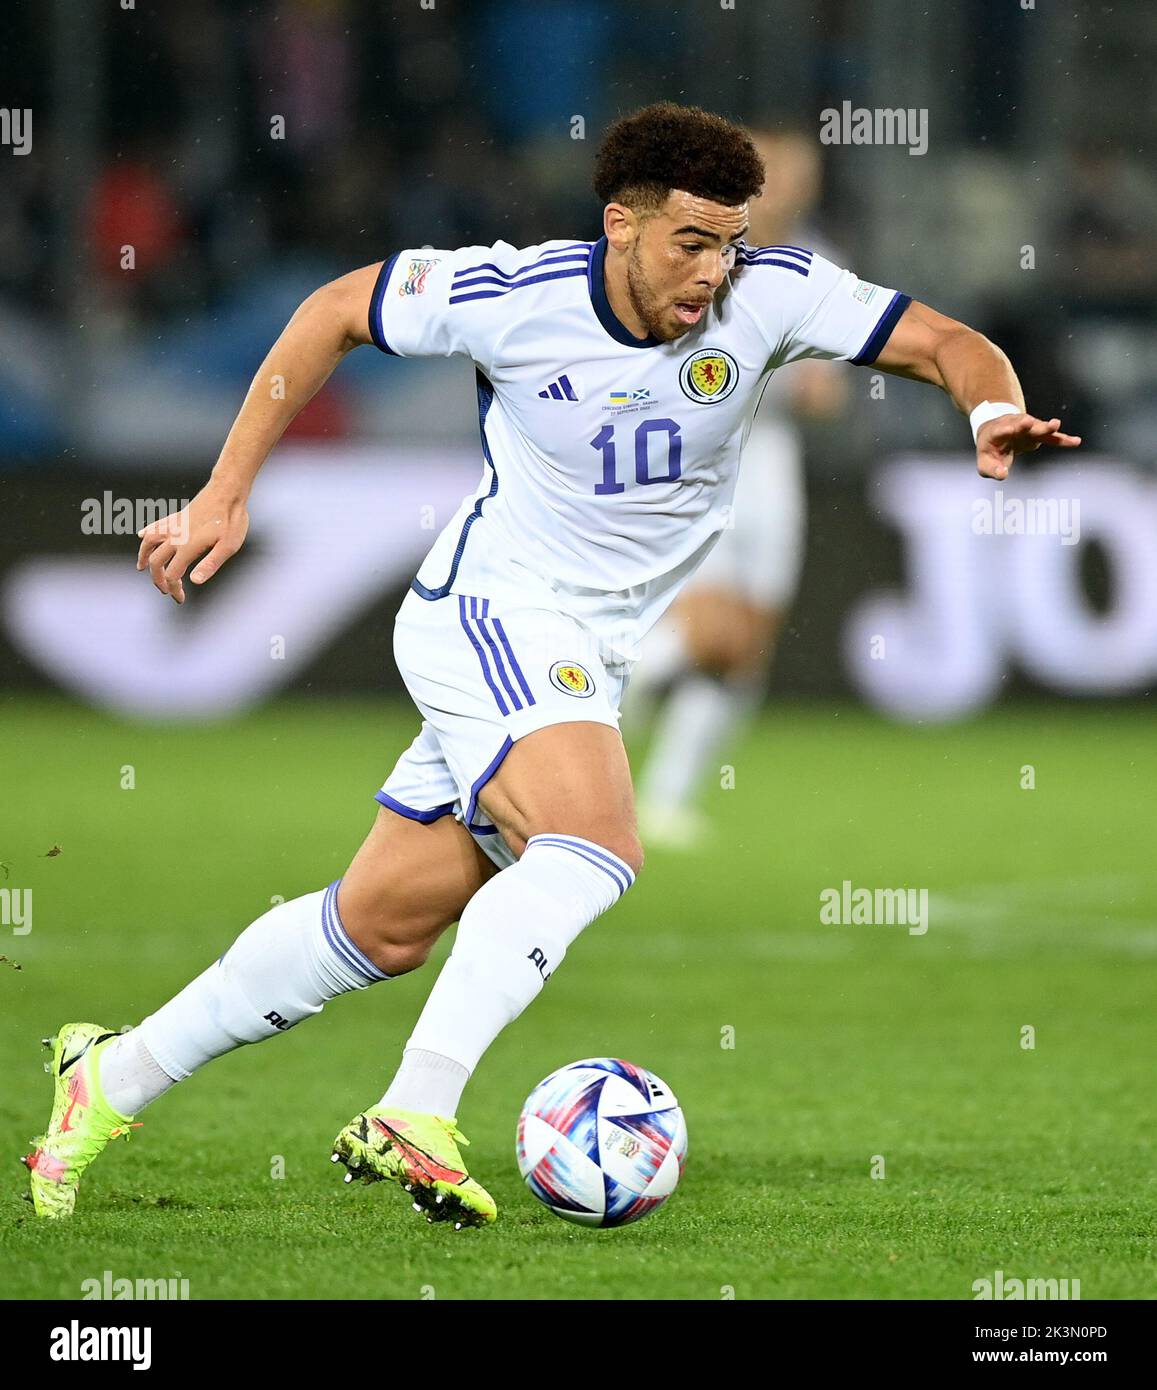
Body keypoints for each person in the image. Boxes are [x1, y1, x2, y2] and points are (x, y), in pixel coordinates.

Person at [26, 102, 1079, 1228]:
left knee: (376, 926)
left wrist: (991, 406)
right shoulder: (510, 295)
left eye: (727, 242)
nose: (713, 272)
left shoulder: (773, 291)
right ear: (619, 224)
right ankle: (412, 1111)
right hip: (492, 611)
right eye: (689, 242)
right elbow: (333, 311)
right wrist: (225, 491)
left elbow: (944, 342)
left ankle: (113, 1074)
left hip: (593, 646)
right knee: (591, 843)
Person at [628, 128, 846, 847]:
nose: (786, 187)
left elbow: (830, 387)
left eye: (798, 175)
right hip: (702, 452)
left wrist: (818, 386)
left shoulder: (821, 263)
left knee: (746, 644)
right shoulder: (697, 251)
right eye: (774, 173)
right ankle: (591, 697)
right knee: (707, 628)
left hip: (773, 460)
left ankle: (664, 799)